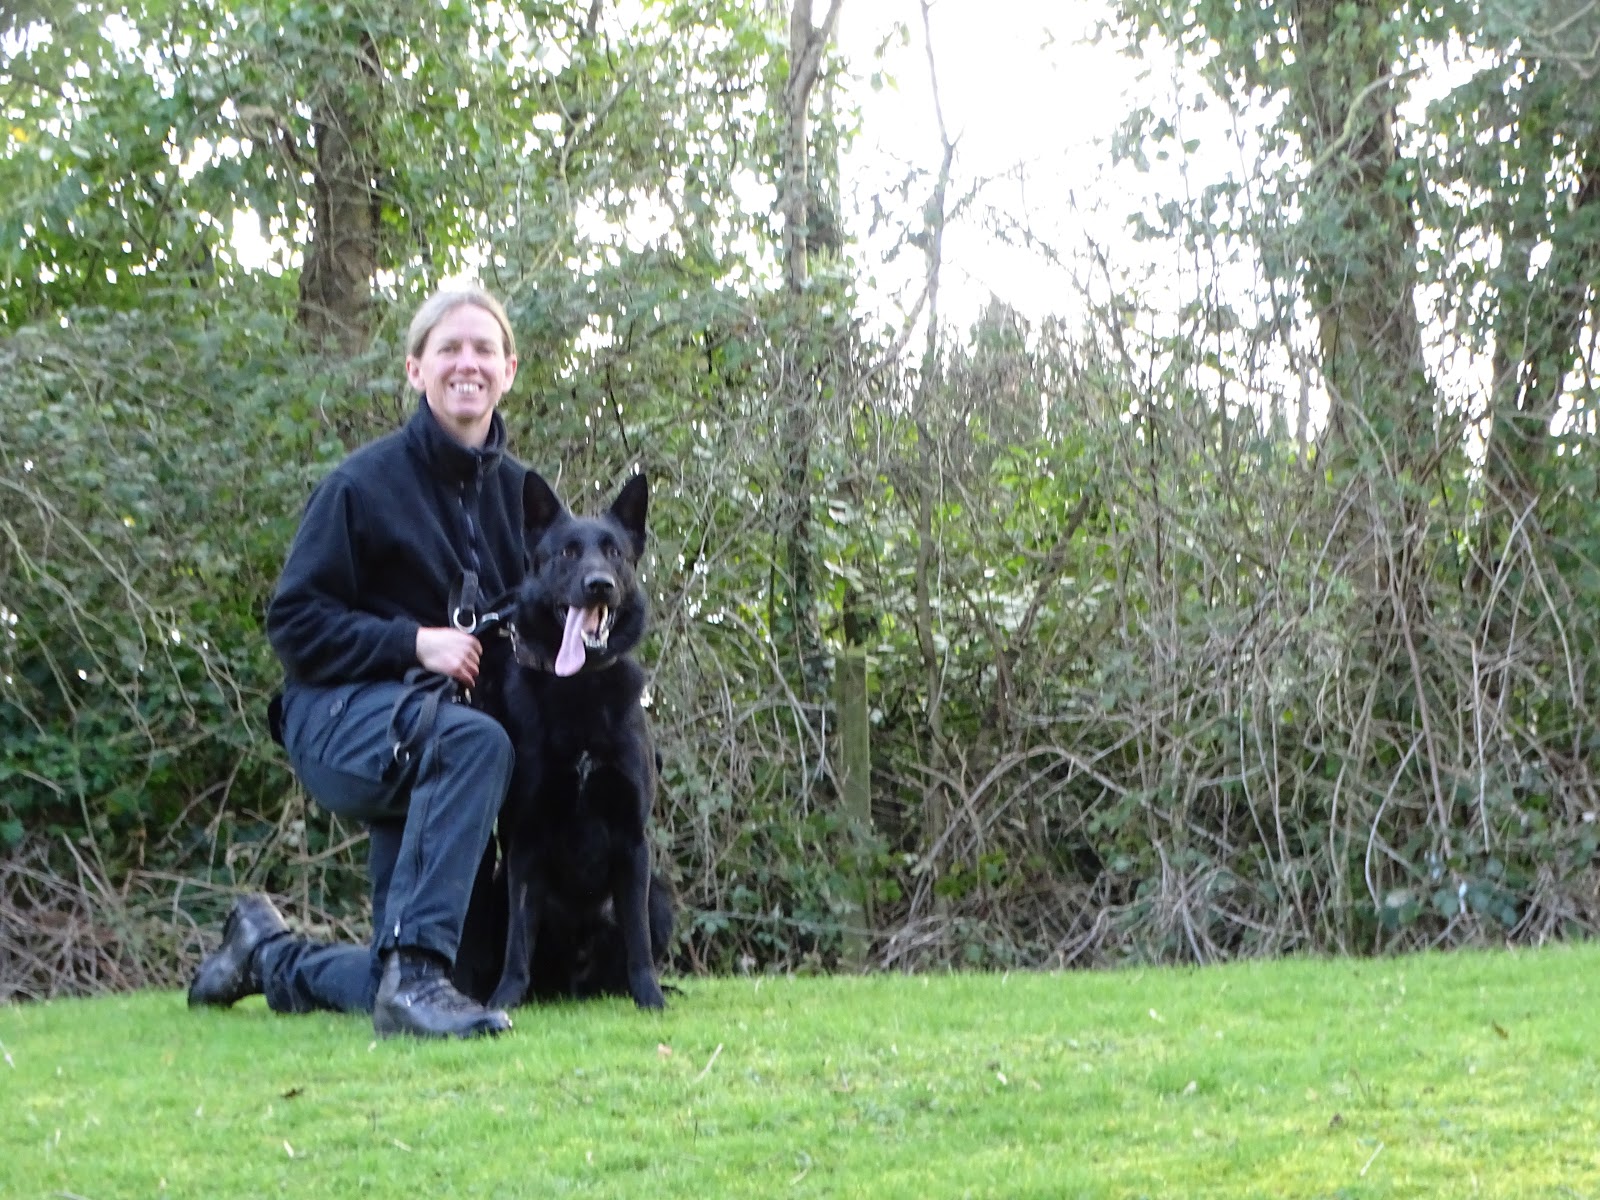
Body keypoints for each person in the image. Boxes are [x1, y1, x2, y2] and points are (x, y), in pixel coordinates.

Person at [188, 283, 527, 1038]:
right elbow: (294, 623)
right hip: (337, 721)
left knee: (446, 968)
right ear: (415, 370)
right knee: (477, 743)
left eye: (483, 349)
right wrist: (413, 642)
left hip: (440, 752)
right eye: (449, 348)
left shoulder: (522, 498)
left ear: (509, 370)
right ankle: (413, 986)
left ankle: (266, 954)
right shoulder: (360, 485)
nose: (466, 363)